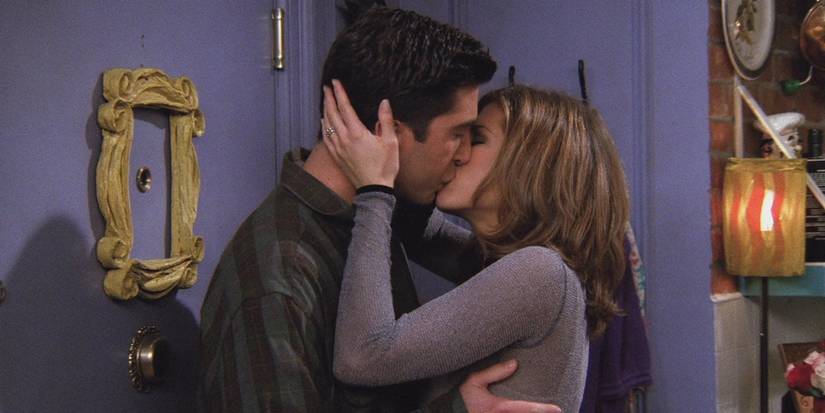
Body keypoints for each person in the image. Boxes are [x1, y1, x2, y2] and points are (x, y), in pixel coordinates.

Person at [197, 6, 561, 413]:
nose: (463, 155)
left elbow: (490, 266)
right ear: (385, 133)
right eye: (457, 134)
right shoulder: (277, 277)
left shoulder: (375, 215)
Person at [321, 83, 630, 413]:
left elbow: (362, 358)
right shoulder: (523, 266)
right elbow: (417, 231)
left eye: (477, 139)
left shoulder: (539, 272)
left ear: (530, 165)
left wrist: (374, 189)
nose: (459, 154)